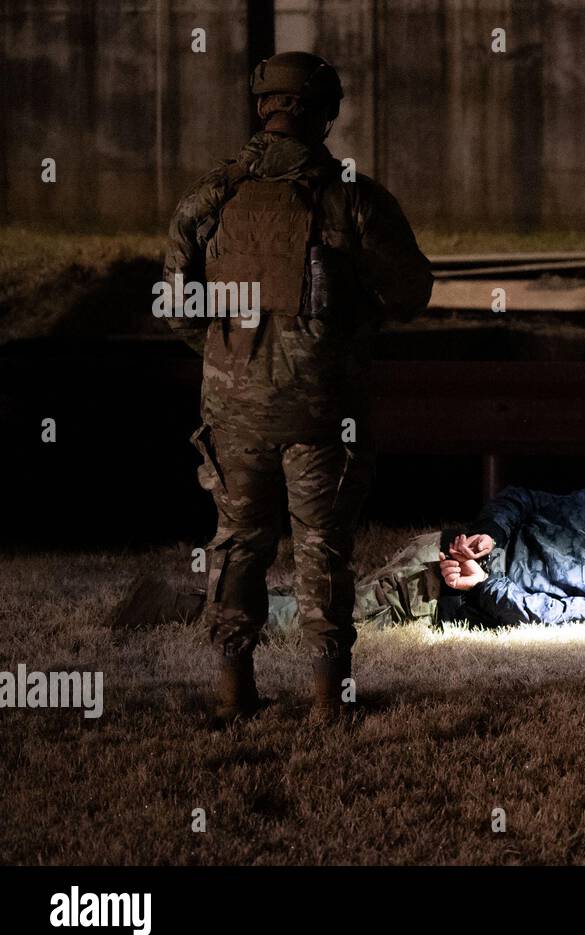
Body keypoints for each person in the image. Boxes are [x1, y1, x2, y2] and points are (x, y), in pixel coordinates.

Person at [163, 52, 432, 721]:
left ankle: (233, 694)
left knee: (237, 544)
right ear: (327, 112)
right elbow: (412, 291)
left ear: (262, 107)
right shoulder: (353, 197)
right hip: (323, 410)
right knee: (323, 548)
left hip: (233, 412)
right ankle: (327, 700)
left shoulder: (208, 198)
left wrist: (228, 359)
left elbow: (172, 308)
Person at [109, 486, 585, 637]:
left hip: (447, 542)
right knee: (337, 616)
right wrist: (485, 583)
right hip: (447, 583)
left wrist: (482, 535)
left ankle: (221, 595)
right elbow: (537, 612)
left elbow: (522, 498)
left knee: (341, 588)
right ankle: (196, 609)